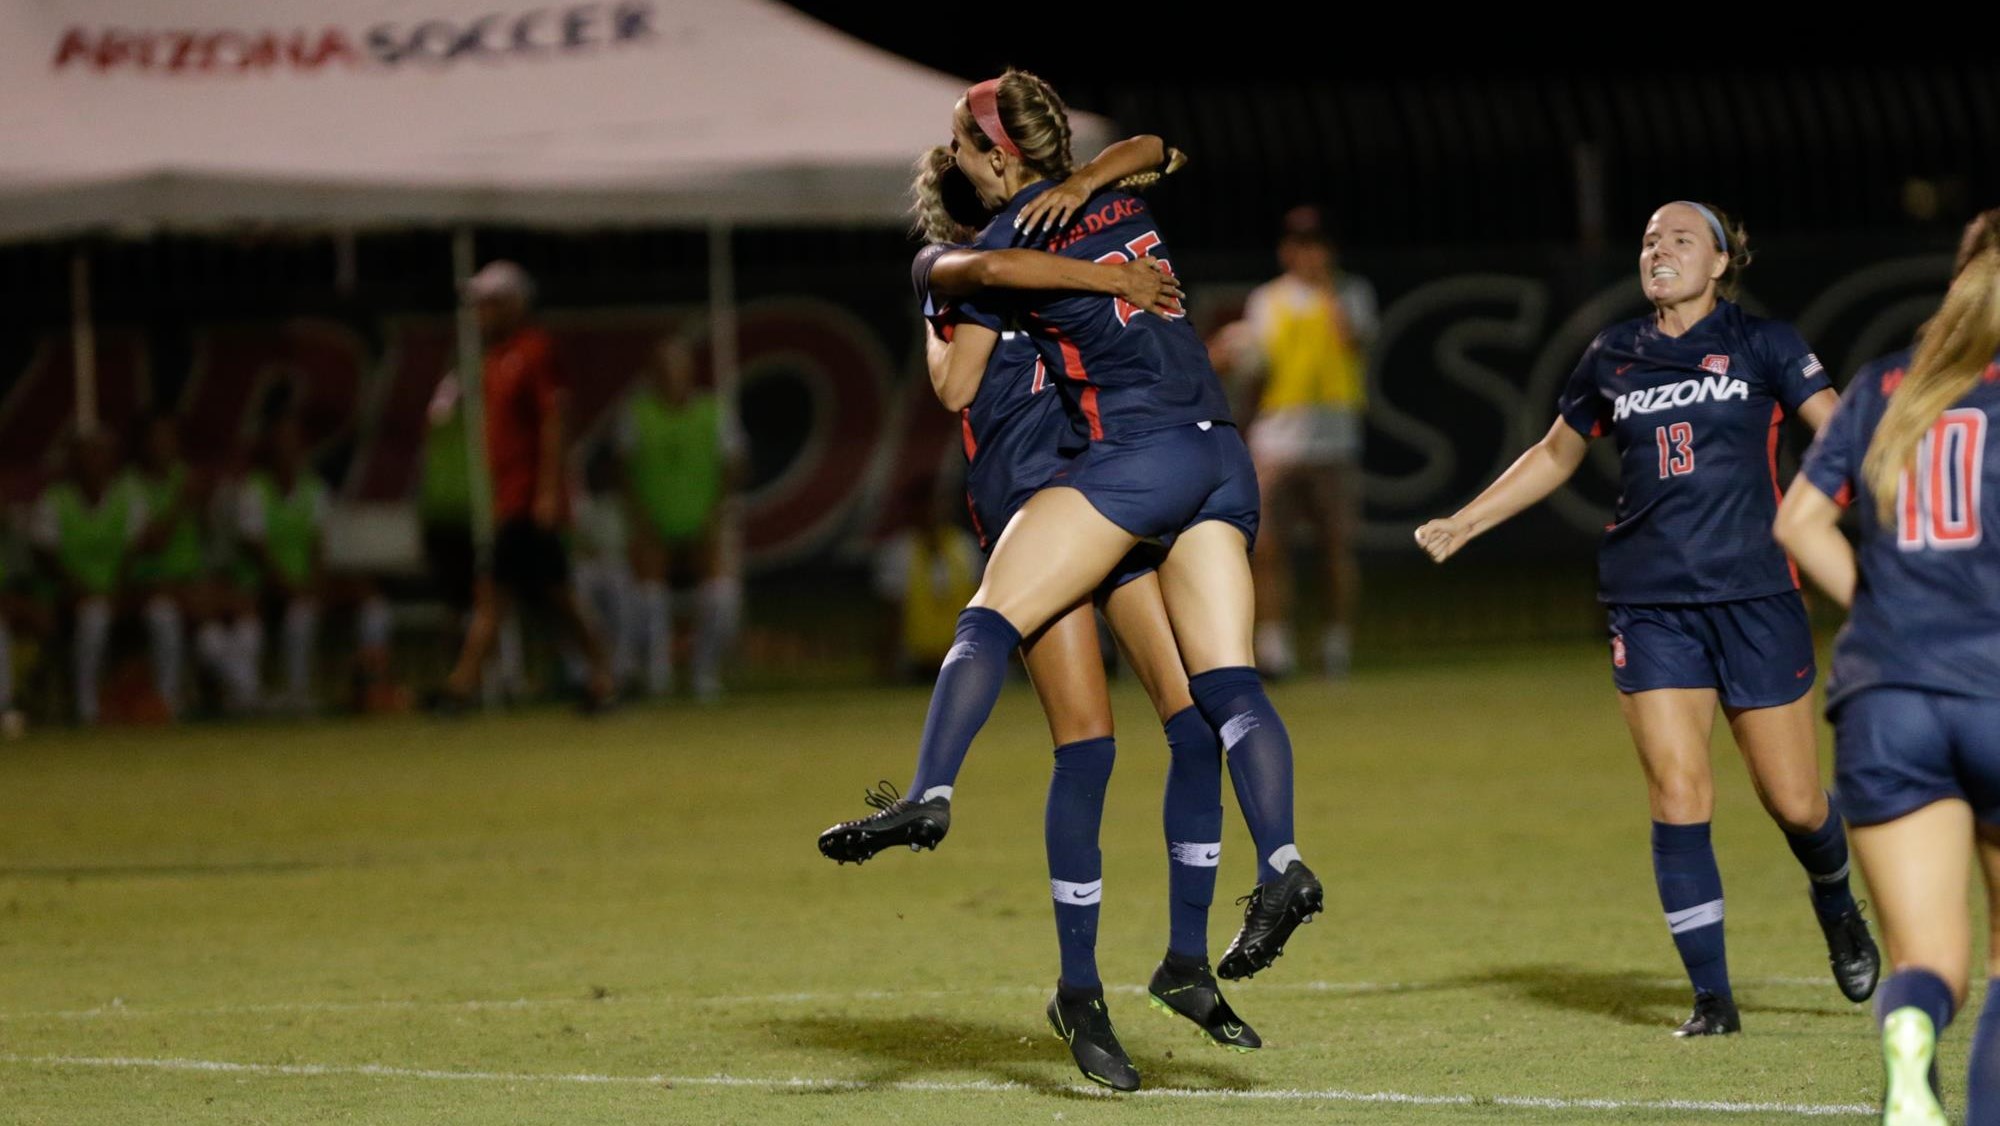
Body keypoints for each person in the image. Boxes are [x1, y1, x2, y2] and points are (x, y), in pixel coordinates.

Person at [819, 70, 1321, 1016]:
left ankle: (1178, 959)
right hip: (1099, 483)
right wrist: (1103, 259)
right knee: (1108, 737)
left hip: (1116, 485)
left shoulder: (1036, 233)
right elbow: (965, 372)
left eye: (963, 144)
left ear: (994, 160)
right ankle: (1089, 984)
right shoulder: (968, 267)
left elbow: (1125, 170)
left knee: (1176, 722)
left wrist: (1083, 200)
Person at [1415, 201, 1879, 1036]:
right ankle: (1712, 998)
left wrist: (1869, 507)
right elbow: (1558, 451)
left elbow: (1838, 437)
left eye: (1679, 239)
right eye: (1648, 241)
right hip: (1649, 600)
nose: (1658, 250)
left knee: (1796, 800)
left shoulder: (1766, 344)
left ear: (1722, 261)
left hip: (1756, 599)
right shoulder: (1613, 353)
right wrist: (1467, 519)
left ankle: (1836, 900)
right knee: (1676, 788)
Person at [1774, 208, 2000, 1123]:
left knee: (1928, 963)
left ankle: (1912, 1043)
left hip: (1884, 696)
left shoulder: (1884, 387)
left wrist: (1888, 613)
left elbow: (1796, 523)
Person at [431, 260, 615, 713]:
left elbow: (554, 421)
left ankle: (603, 676)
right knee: (509, 595)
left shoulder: (534, 351)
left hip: (530, 500)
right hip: (510, 500)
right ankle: (463, 686)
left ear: (514, 304)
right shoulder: (491, 360)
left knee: (546, 596)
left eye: (489, 304)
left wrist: (549, 493)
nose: (479, 313)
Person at [1217, 206, 1377, 678]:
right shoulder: (1267, 300)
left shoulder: (1352, 293)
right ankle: (1274, 647)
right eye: (1300, 244)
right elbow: (1257, 367)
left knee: (1336, 547)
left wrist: (1327, 290)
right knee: (1266, 546)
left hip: (1335, 442)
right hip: (1278, 441)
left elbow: (1352, 341)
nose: (1308, 254)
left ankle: (1335, 645)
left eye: (1317, 244)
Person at [236, 415, 393, 713]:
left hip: (304, 584)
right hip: (265, 587)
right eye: (281, 443)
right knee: (301, 611)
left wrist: (315, 585)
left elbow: (318, 548)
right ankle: (298, 693)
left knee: (371, 600)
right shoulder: (254, 490)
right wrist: (291, 587)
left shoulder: (313, 490)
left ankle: (374, 685)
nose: (289, 450)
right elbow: (256, 553)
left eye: (294, 443)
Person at [617, 335, 743, 700]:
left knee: (723, 593)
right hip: (652, 524)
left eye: (677, 366)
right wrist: (641, 524)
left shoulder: (714, 412)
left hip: (702, 522)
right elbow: (622, 473)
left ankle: (704, 672)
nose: (670, 375)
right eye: (662, 368)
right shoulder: (635, 413)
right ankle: (658, 674)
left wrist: (714, 520)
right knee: (646, 588)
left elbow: (733, 467)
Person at [31, 430, 168, 725]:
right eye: (85, 456)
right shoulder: (55, 500)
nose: (93, 462)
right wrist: (77, 589)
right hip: (71, 596)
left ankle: (170, 700)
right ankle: (87, 707)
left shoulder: (128, 497)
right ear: (72, 463)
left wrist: (117, 592)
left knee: (163, 612)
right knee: (94, 615)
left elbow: (138, 550)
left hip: (121, 592)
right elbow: (45, 557)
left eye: (99, 454)